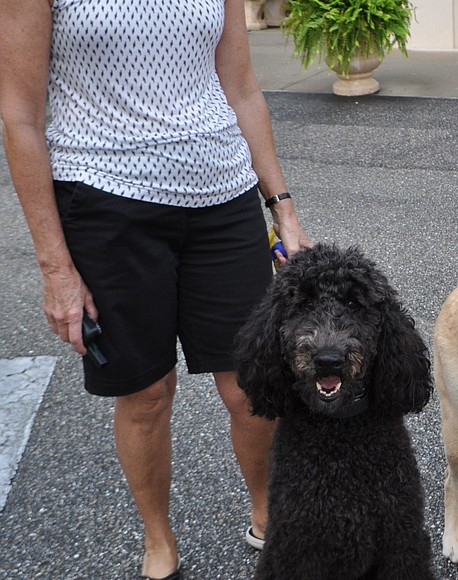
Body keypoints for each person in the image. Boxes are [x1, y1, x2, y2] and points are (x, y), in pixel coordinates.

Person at [0, 1, 311, 579]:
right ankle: (159, 538)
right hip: (104, 200)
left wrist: (282, 209)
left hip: (224, 195)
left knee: (254, 385)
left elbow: (241, 87)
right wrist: (54, 266)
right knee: (145, 393)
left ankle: (269, 515)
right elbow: (19, 114)